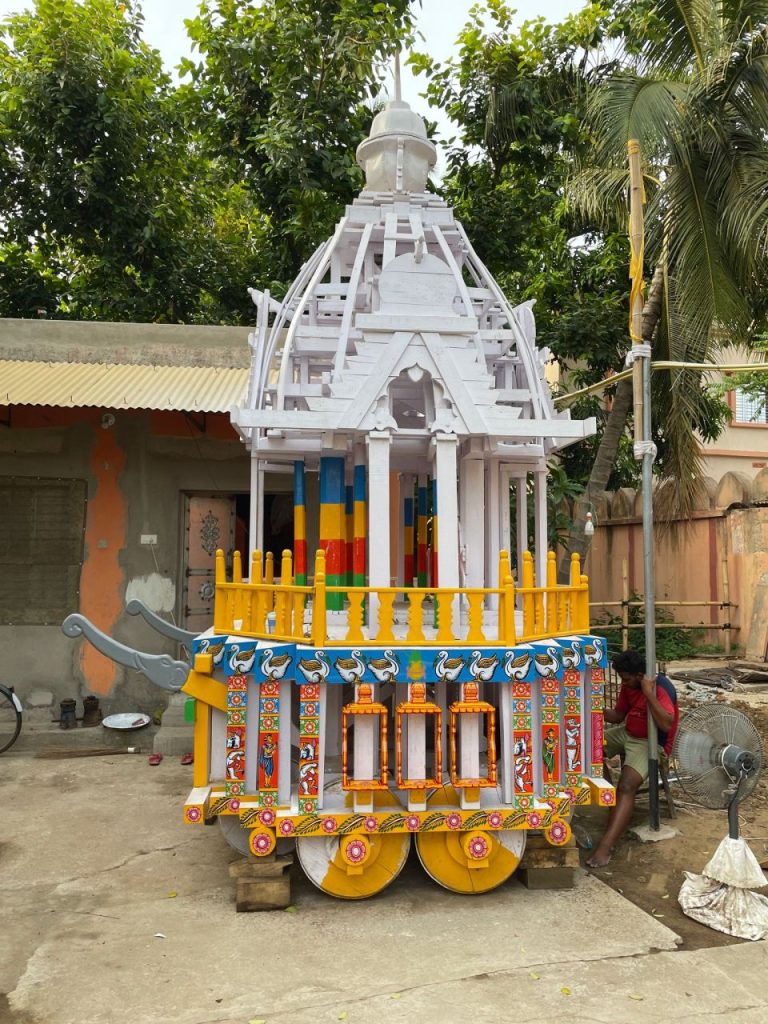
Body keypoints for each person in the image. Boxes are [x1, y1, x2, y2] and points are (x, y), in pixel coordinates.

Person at [586, 649, 678, 868]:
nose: (623, 683)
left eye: (626, 679)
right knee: (589, 748)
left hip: (651, 741)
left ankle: (606, 846)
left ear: (639, 675)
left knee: (626, 786)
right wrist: (590, 707)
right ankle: (614, 809)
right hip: (627, 732)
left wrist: (648, 693)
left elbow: (666, 723)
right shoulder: (629, 686)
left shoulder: (661, 687)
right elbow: (618, 715)